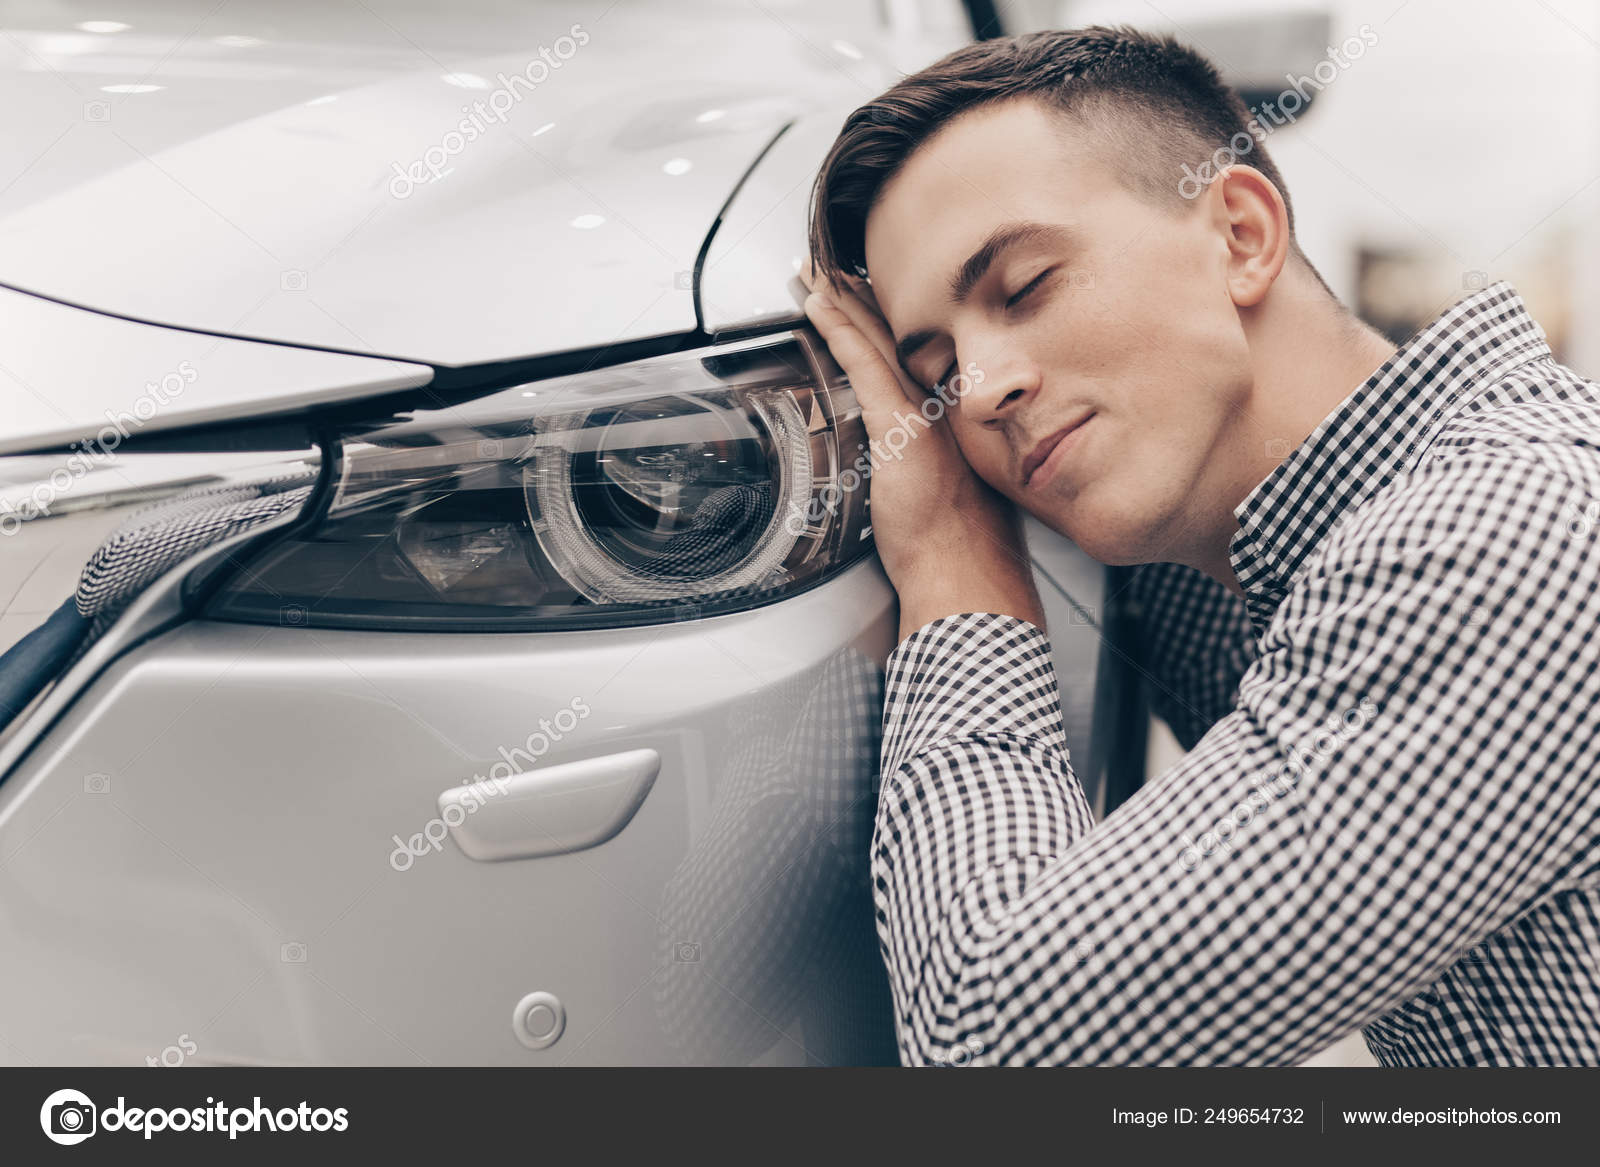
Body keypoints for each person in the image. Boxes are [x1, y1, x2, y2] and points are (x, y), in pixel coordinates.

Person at [797, 25, 1600, 1066]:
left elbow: (996, 1050)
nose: (981, 391)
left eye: (1026, 286)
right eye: (935, 373)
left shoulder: (1500, 540)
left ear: (1239, 234)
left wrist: (953, 560)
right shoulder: (1305, 538)